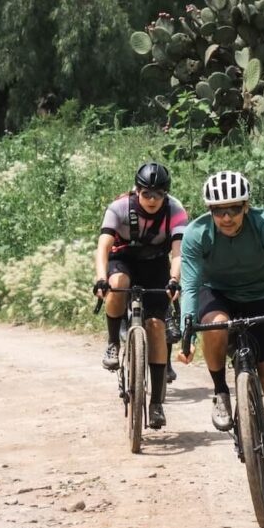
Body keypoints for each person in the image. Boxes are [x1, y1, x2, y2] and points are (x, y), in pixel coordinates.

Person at [175, 170, 264, 491]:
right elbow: (190, 287)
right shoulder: (197, 234)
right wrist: (187, 335)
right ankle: (221, 391)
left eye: (234, 209)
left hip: (262, 296)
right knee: (216, 327)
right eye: (218, 211)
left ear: (246, 206)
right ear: (210, 211)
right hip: (216, 293)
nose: (226, 217)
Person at [92, 162, 189, 430]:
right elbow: (103, 246)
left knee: (157, 326)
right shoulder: (119, 207)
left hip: (156, 265)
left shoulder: (176, 210)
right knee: (117, 283)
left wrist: (174, 280)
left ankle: (156, 403)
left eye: (158, 194)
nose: (152, 199)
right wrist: (101, 278)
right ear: (137, 191)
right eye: (146, 193)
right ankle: (113, 341)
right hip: (123, 259)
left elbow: (178, 252)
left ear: (166, 194)